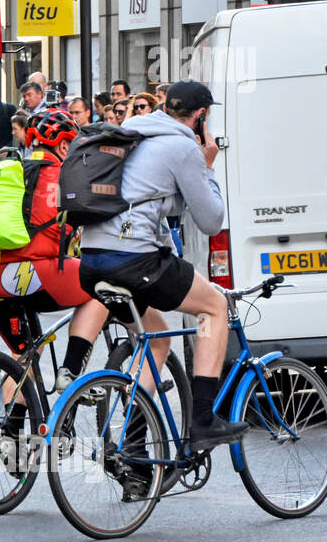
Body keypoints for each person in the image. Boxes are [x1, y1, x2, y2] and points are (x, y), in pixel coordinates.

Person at [78, 80, 242, 454]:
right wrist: (208, 165)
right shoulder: (182, 147)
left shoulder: (131, 132)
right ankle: (203, 419)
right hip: (134, 260)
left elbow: (153, 205)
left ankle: (132, 446)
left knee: (159, 339)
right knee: (214, 306)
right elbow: (212, 220)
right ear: (200, 117)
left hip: (92, 261)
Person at [0, 111, 111, 424]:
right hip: (29, 276)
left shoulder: (9, 170)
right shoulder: (63, 175)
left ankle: (13, 432)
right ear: (62, 147)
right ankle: (72, 375)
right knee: (101, 286)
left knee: (27, 356)